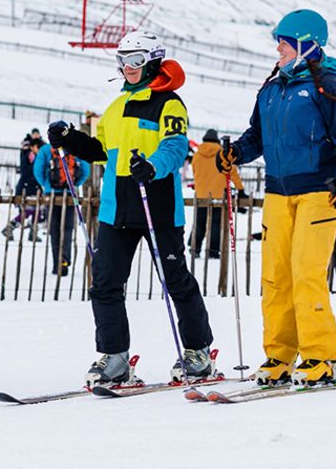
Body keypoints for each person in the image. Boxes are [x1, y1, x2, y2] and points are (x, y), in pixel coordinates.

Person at [48, 30, 216, 385]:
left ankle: (198, 351)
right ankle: (114, 356)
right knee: (105, 283)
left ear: (153, 61)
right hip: (116, 210)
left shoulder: (169, 103)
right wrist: (69, 140)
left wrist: (152, 165)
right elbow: (100, 150)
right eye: (122, 62)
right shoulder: (116, 107)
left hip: (157, 207)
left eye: (136, 61)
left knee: (176, 282)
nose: (128, 68)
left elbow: (175, 146)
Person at [217, 9, 336, 386]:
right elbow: (256, 136)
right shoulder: (271, 88)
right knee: (275, 277)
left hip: (319, 192)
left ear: (304, 43)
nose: (278, 48)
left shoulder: (327, 85)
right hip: (278, 193)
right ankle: (279, 354)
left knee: (305, 273)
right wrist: (237, 153)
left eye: (284, 41)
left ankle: (320, 355)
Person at [34, 141, 90, 276]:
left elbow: (38, 170)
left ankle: (56, 263)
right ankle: (65, 258)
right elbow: (86, 169)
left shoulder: (46, 149)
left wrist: (47, 185)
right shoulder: (75, 147)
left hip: (51, 195)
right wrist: (76, 183)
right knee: (67, 228)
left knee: (54, 229)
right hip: (70, 194)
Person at [191, 128, 245, 260]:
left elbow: (195, 173)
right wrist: (241, 189)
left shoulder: (197, 156)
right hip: (218, 196)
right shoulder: (222, 156)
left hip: (201, 195)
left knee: (199, 222)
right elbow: (233, 173)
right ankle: (213, 251)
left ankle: (194, 248)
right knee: (215, 224)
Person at [1, 134, 44, 240]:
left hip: (35, 188)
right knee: (27, 211)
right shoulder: (27, 156)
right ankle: (9, 227)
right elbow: (25, 172)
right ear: (32, 147)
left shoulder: (37, 157)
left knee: (37, 211)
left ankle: (33, 233)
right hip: (26, 188)